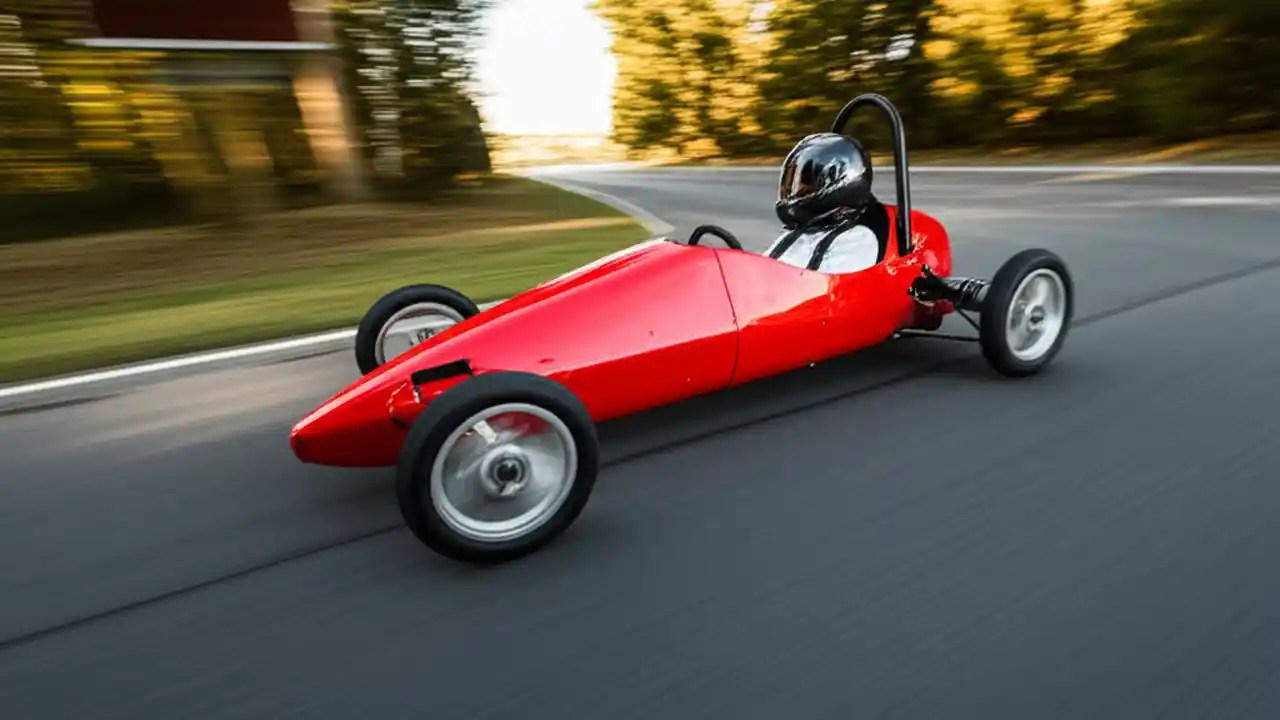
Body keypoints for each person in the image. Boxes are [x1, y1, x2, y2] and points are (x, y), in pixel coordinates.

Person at [765, 132, 887, 274]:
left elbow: (823, 289)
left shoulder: (859, 240)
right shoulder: (799, 232)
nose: (797, 189)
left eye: (806, 182)